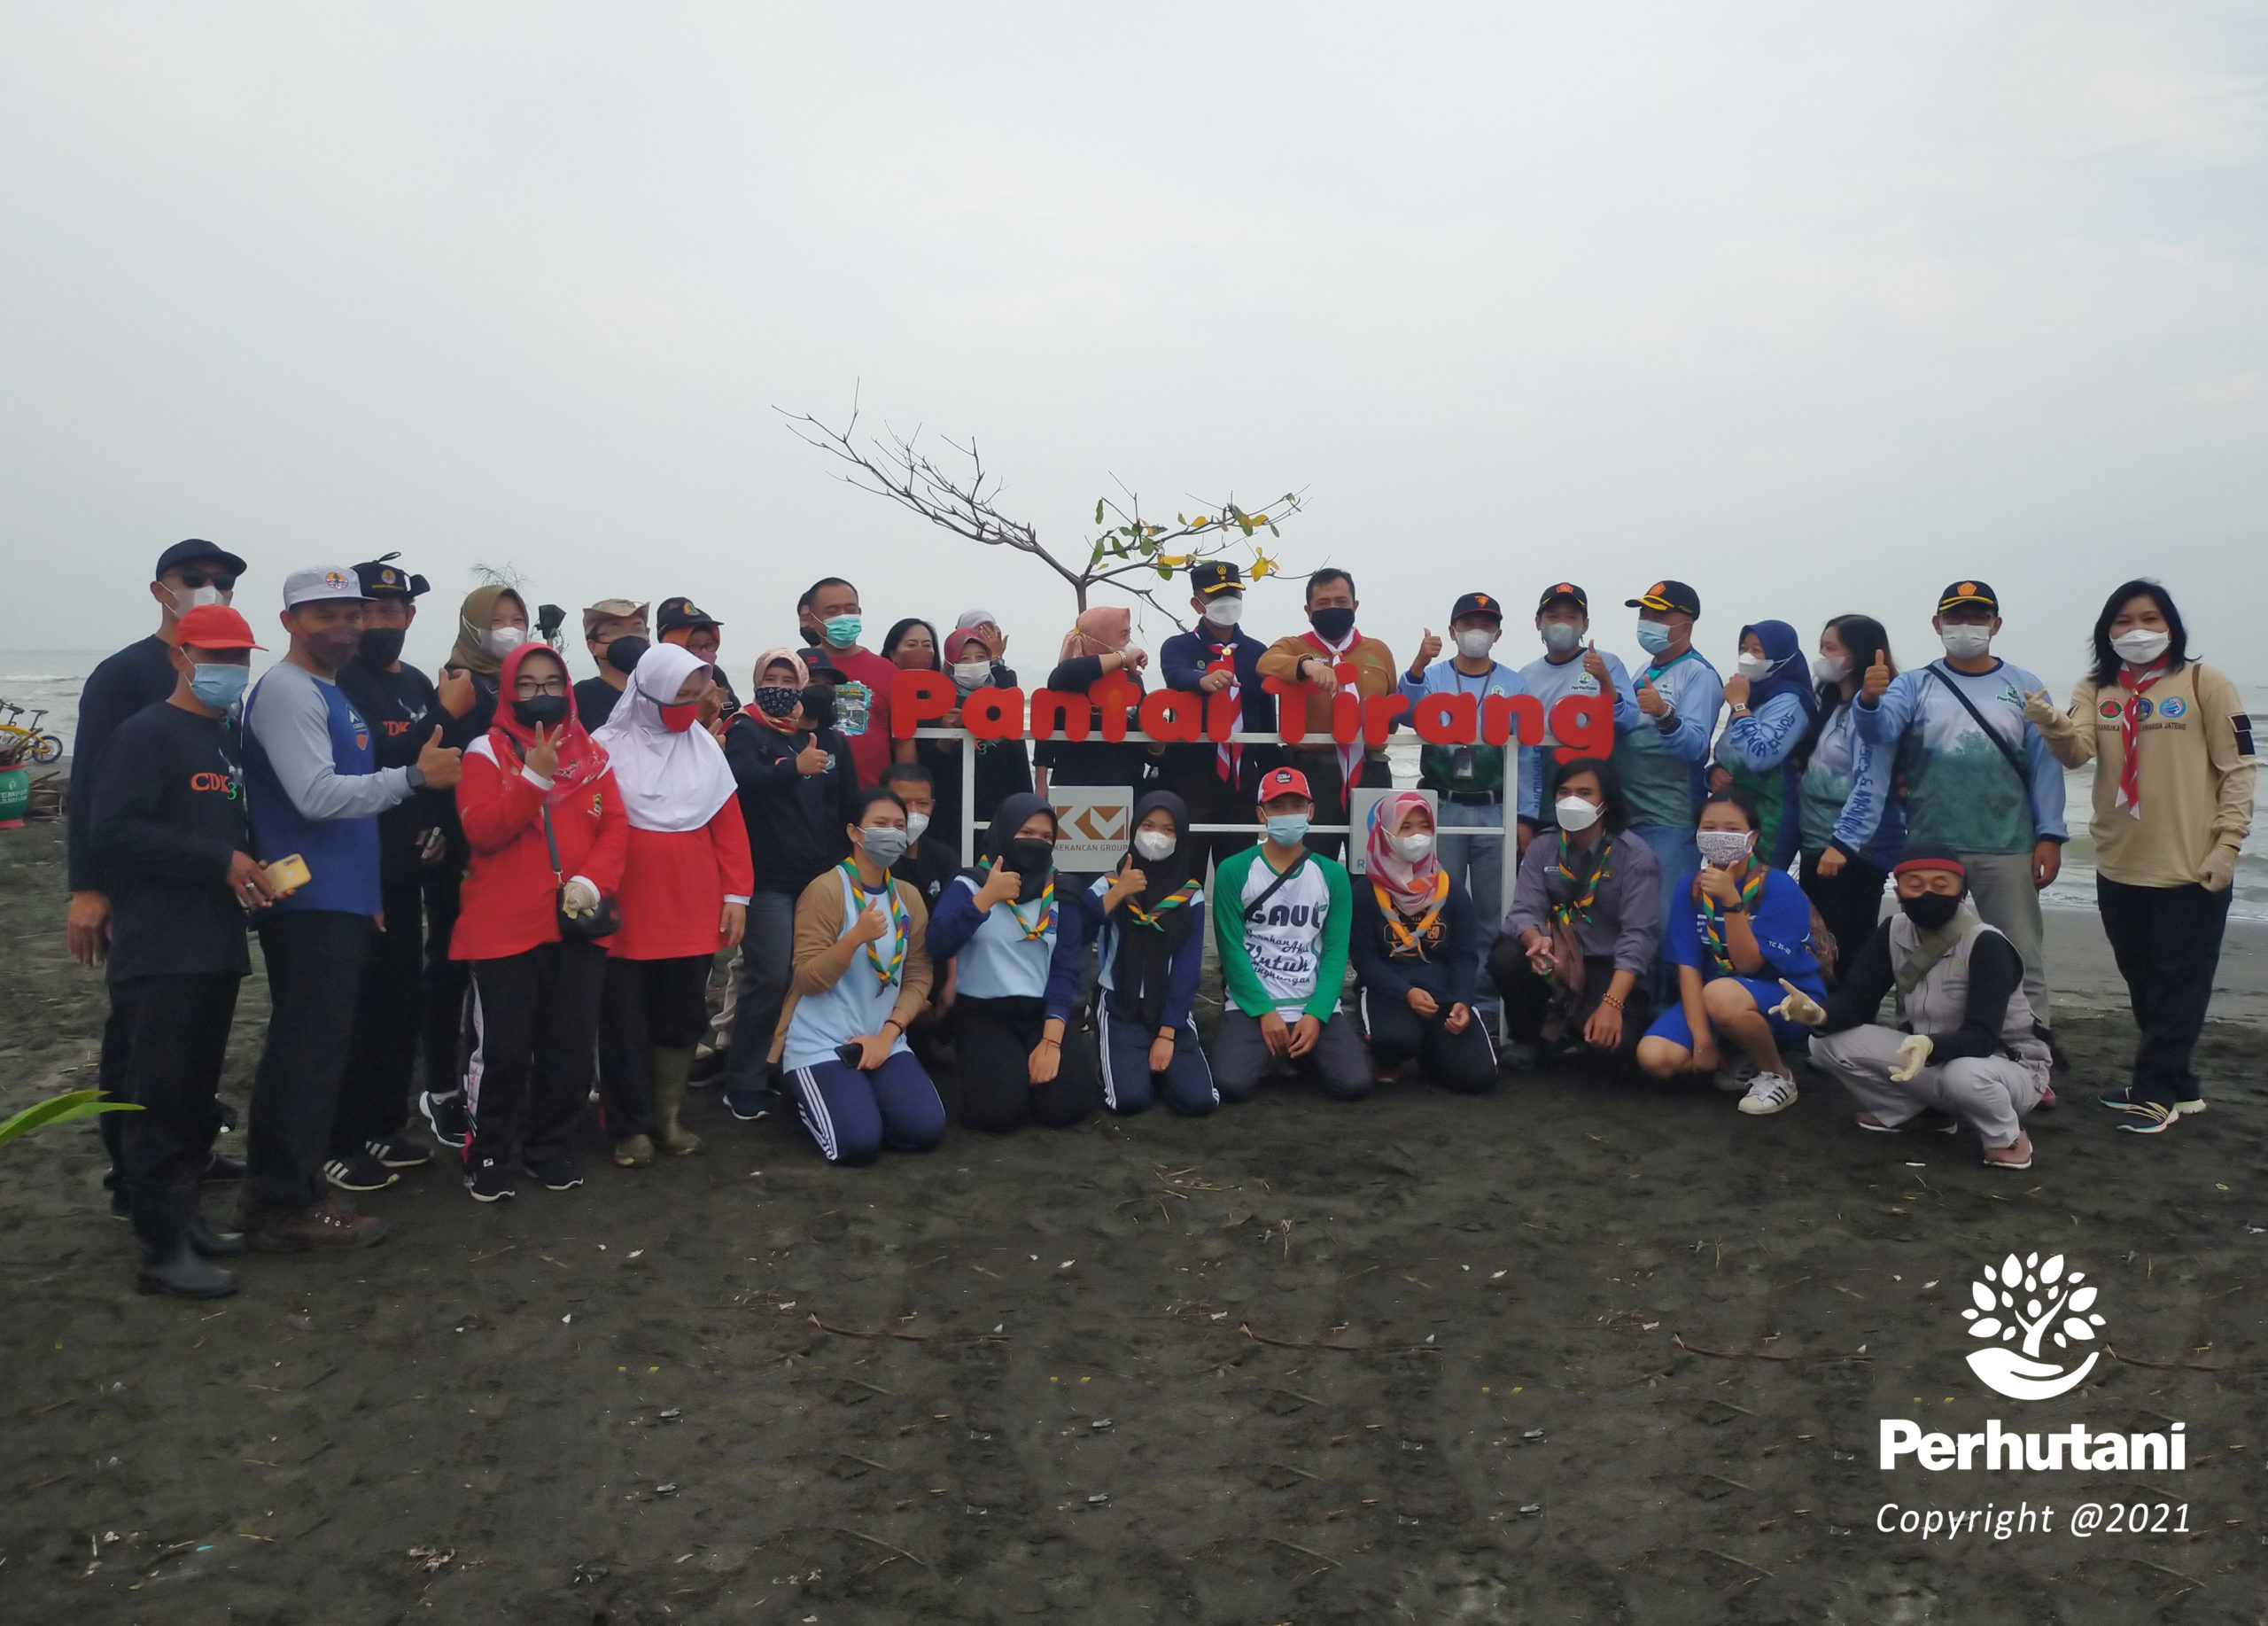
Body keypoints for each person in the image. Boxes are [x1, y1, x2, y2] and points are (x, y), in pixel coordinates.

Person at [238, 566, 463, 1250]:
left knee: (327, 1045)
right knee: (305, 1052)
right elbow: (317, 796)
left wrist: (367, 894)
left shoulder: (330, 691)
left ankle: (292, 1189)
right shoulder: (285, 690)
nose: (342, 626)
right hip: (306, 900)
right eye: (322, 614)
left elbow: (350, 815)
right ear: (288, 623)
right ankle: (286, 1199)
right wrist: (415, 776)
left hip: (342, 897)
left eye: (351, 613)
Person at [88, 604, 276, 1296]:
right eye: (215, 656)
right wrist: (214, 858)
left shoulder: (222, 736)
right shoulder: (146, 734)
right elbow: (112, 831)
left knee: (197, 1096)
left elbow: (223, 836)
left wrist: (251, 872)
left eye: (240, 658)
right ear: (181, 655)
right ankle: (160, 1250)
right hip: (160, 948)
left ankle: (188, 1220)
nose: (230, 670)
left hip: (215, 943)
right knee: (157, 1099)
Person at [2027, 580, 2256, 1133]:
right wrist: (2053, 724)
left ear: (2171, 624)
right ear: (2107, 632)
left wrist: (2227, 845)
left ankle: (2155, 1092)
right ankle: (2181, 1084)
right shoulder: (2096, 688)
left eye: (2149, 619)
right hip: (2119, 862)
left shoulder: (2205, 682)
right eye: (2123, 622)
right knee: (2144, 980)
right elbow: (2078, 752)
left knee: (2181, 980)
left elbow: (2239, 769)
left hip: (2191, 864)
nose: (2137, 631)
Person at [68, 538, 252, 1216]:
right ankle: (138, 1185)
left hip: (208, 912)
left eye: (223, 580)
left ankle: (186, 1163)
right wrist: (87, 887)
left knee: (185, 1056)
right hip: (145, 901)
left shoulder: (223, 700)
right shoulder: (124, 678)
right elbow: (91, 790)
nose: (210, 586)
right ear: (161, 589)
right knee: (142, 1049)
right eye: (194, 577)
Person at [450, 642, 628, 1199]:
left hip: (576, 923)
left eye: (551, 683)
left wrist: (593, 881)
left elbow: (616, 827)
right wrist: (534, 780)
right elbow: (482, 831)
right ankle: (487, 1153)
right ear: (507, 691)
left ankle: (550, 1147)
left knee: (569, 1048)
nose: (540, 695)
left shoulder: (594, 754)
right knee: (503, 1049)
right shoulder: (485, 751)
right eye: (526, 685)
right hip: (504, 927)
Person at [1852, 580, 2066, 1040]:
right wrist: (1869, 700)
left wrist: (2050, 834)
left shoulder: (2026, 687)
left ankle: (2034, 1051)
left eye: (1977, 617)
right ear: (1937, 624)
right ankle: (1917, 1040)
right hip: (1932, 845)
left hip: (2007, 842)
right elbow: (1879, 733)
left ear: (1996, 625)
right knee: (1922, 949)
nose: (1965, 626)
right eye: (1954, 617)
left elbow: (2045, 766)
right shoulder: (1913, 684)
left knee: (2021, 954)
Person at [1779, 844, 2048, 1168]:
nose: (1927, 894)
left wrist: (1930, 1044)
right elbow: (1856, 1001)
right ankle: (1914, 1115)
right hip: (1929, 1058)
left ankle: (2007, 1137)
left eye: (1941, 885)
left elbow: (1982, 1037)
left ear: (1961, 892)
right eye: (1915, 885)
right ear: (1898, 890)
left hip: (2004, 1067)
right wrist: (1818, 1014)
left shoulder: (1986, 943)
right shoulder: (1892, 931)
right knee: (1824, 1043)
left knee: (1963, 1075)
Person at [590, 642, 754, 1166]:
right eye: (677, 696)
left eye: (696, 693)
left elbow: (729, 830)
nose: (688, 705)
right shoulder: (601, 749)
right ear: (650, 693)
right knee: (623, 1019)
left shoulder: (705, 750)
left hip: (692, 905)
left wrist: (736, 896)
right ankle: (628, 1127)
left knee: (682, 1016)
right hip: (625, 910)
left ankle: (668, 1118)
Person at [327, 556, 447, 1192]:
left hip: (408, 872)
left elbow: (435, 771)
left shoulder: (419, 682)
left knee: (401, 1003)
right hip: (353, 872)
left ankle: (381, 1123)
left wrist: (435, 827)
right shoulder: (340, 682)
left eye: (393, 611)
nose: (382, 621)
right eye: (369, 610)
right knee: (353, 1010)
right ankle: (337, 1137)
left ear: (410, 616)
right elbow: (368, 760)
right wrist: (436, 721)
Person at [716, 648, 859, 1124]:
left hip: (821, 880)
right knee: (770, 977)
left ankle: (794, 1066)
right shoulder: (745, 731)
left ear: (801, 686)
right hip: (768, 882)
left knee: (817, 977)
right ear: (757, 681)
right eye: (770, 676)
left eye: (788, 678)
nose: (779, 685)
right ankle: (744, 1079)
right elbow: (737, 781)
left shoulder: (832, 740)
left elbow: (847, 807)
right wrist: (791, 769)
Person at [771, 787, 947, 1165]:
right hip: (821, 1044)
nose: (892, 833)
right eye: (880, 824)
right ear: (854, 833)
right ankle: (808, 1099)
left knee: (927, 1130)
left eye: (899, 826)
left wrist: (888, 1035)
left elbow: (918, 975)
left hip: (883, 1041)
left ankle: (859, 1099)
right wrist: (852, 940)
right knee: (857, 1146)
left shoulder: (908, 897)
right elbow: (807, 979)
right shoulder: (826, 890)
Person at [420, 582, 532, 1146]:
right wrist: (438, 825)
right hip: (459, 850)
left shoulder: (524, 685)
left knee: (497, 978)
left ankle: (481, 1079)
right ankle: (440, 1088)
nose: (511, 628)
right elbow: (440, 758)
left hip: (513, 847)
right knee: (447, 967)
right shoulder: (457, 681)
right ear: (473, 626)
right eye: (500, 619)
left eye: (519, 618)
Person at [1633, 789, 1825, 1116]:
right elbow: (1688, 967)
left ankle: (1777, 1075)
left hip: (1785, 1001)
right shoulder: (1690, 887)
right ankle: (1738, 1056)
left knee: (1722, 993)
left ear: (1753, 837)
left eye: (1732, 829)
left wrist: (1732, 902)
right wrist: (1703, 1041)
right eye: (1708, 828)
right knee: (1655, 1057)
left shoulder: (1778, 887)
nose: (1719, 836)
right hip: (1715, 996)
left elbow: (1749, 964)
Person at [924, 792, 1100, 1132]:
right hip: (981, 1013)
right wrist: (984, 900)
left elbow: (1066, 970)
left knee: (1066, 1107)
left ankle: (1029, 1065)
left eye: (1046, 837)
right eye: (1027, 833)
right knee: (996, 1116)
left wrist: (1051, 1039)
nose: (1037, 842)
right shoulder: (970, 883)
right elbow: (938, 942)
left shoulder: (1062, 891)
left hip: (1041, 1012)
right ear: (1005, 831)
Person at [1396, 590, 1538, 1010]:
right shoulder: (1435, 676)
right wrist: (1419, 663)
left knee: (1492, 915)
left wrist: (1525, 815)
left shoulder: (1515, 684)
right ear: (1453, 630)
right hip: (1442, 808)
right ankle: (1440, 996)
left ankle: (1486, 1006)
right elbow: (1404, 712)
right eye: (1468, 623)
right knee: (1436, 905)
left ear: (1497, 632)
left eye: (1485, 624)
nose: (1476, 631)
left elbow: (1527, 753)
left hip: (1495, 809)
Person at [1208, 767, 1371, 1100]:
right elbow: (1232, 950)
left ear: (1311, 810)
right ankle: (1279, 1053)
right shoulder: (1233, 870)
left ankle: (1295, 1053)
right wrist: (1264, 1012)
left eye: (1296, 805)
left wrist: (1317, 1013)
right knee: (1230, 1085)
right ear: (1261, 814)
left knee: (1355, 1085)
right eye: (1277, 806)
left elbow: (1337, 953)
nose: (1288, 814)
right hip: (1253, 1005)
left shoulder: (1333, 875)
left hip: (1311, 1003)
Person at [1492, 758, 1660, 1069]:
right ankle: (1528, 1039)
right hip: (1558, 957)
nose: (1572, 801)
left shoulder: (1635, 857)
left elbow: (1639, 937)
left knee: (1615, 1052)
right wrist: (1535, 940)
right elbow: (1523, 911)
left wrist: (1611, 1004)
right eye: (1564, 792)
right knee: (1507, 955)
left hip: (1608, 965)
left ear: (1606, 801)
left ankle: (1574, 1029)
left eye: (1585, 793)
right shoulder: (1543, 847)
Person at [1609, 580, 1725, 991]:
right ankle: (1632, 1016)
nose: (1648, 622)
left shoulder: (1701, 675)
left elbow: (1695, 747)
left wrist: (1665, 715)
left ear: (1686, 623)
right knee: (1630, 919)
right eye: (1644, 614)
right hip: (1629, 818)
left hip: (1671, 822)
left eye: (1659, 615)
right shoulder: (1643, 669)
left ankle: (1671, 1017)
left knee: (1662, 922)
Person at [1072, 790, 1217, 1116]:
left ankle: (1163, 1067)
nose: (1156, 836)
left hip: (1169, 1008)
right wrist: (1119, 892)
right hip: (1120, 1005)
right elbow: (1076, 933)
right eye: (1148, 825)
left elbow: (1186, 968)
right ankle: (1131, 1066)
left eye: (1168, 830)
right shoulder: (1108, 883)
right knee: (1129, 1100)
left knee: (1200, 1101)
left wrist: (1168, 1033)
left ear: (1181, 837)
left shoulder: (1189, 895)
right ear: (1134, 828)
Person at [1348, 791, 1498, 1092]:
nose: (1417, 835)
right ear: (1385, 832)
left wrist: (1461, 1001)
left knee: (1479, 1077)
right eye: (1405, 827)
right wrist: (1407, 992)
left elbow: (1464, 955)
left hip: (1441, 993)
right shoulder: (1365, 892)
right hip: (1388, 990)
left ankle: (1432, 1051)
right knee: (1394, 1040)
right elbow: (1364, 960)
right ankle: (1391, 1055)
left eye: (1424, 826)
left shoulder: (1450, 890)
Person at [1255, 569, 1399, 858]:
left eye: (1341, 602)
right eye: (1323, 604)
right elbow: (1265, 664)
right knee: (1312, 864)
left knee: (1372, 863)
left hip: (1370, 771)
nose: (1333, 609)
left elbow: (1391, 709)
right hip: (1313, 773)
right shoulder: (1294, 645)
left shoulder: (1378, 650)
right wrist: (1307, 666)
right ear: (1308, 611)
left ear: (1355, 606)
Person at [1792, 615, 1904, 979]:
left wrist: (1843, 843)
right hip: (1816, 841)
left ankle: (1849, 1023)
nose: (1821, 656)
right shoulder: (1830, 705)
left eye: (1830, 648)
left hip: (1852, 850)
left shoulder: (1875, 711)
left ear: (1858, 655)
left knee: (1848, 943)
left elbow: (1871, 784)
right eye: (1821, 647)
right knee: (1818, 941)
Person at [1157, 562, 1277, 879]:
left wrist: (1269, 784)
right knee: (1184, 875)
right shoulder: (1177, 647)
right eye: (1217, 595)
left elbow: (1266, 721)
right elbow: (1176, 674)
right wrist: (1202, 680)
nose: (1228, 601)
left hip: (1242, 784)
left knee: (1239, 880)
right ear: (1197, 603)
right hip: (1190, 780)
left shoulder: (1257, 653)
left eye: (1233, 593)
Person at [1712, 620, 1817, 868]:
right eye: (1743, 648)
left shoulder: (1790, 700)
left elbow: (1761, 756)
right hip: (1733, 815)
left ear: (1779, 655)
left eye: (1757, 650)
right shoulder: (1752, 696)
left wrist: (1739, 707)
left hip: (1770, 820)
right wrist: (1713, 772)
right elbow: (1728, 752)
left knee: (1758, 894)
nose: (1747, 656)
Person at [1520, 582, 1629, 822]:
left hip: (1592, 798)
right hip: (1543, 797)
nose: (1562, 623)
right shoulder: (1525, 675)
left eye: (1571, 617)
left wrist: (1604, 682)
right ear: (1538, 622)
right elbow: (1521, 746)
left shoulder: (1607, 663)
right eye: (1553, 616)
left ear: (1585, 624)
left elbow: (1627, 723)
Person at [882, 761, 963, 1064]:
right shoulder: (869, 861)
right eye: (903, 803)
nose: (913, 811)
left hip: (937, 971)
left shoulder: (944, 857)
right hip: (886, 975)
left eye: (922, 803)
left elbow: (954, 924)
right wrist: (911, 999)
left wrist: (952, 983)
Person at [796, 577, 908, 785]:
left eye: (850, 609)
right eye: (832, 611)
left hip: (872, 802)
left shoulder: (887, 671)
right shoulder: (796, 668)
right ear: (811, 619)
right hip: (810, 796)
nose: (843, 617)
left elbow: (903, 743)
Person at [931, 623, 1032, 844]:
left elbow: (1018, 764)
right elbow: (933, 766)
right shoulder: (939, 705)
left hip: (996, 807)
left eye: (980, 657)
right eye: (965, 659)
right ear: (950, 664)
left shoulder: (1001, 704)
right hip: (950, 815)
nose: (974, 664)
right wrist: (949, 734)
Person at [1040, 606, 1152, 806]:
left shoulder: (1132, 680)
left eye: (1128, 634)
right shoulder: (1068, 677)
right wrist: (1040, 783)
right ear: (1099, 637)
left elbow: (1144, 728)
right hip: (1073, 787)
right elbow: (1045, 734)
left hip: (1124, 787)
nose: (1128, 642)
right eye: (1122, 635)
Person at [657, 595, 739, 724]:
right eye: (694, 645)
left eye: (709, 644)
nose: (704, 653)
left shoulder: (716, 675)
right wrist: (699, 712)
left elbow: (735, 718)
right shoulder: (655, 681)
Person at [574, 598, 650, 729]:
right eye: (616, 631)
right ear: (593, 647)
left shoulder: (663, 692)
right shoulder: (580, 698)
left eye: (638, 629)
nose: (630, 636)